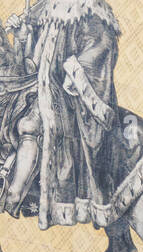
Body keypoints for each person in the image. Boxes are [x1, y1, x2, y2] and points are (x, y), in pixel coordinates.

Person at [2, 0, 123, 228]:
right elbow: (30, 63)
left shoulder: (90, 9)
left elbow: (102, 48)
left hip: (67, 92)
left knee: (29, 124)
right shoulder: (43, 9)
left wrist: (74, 71)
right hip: (35, 85)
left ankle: (13, 195)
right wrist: (22, 36)